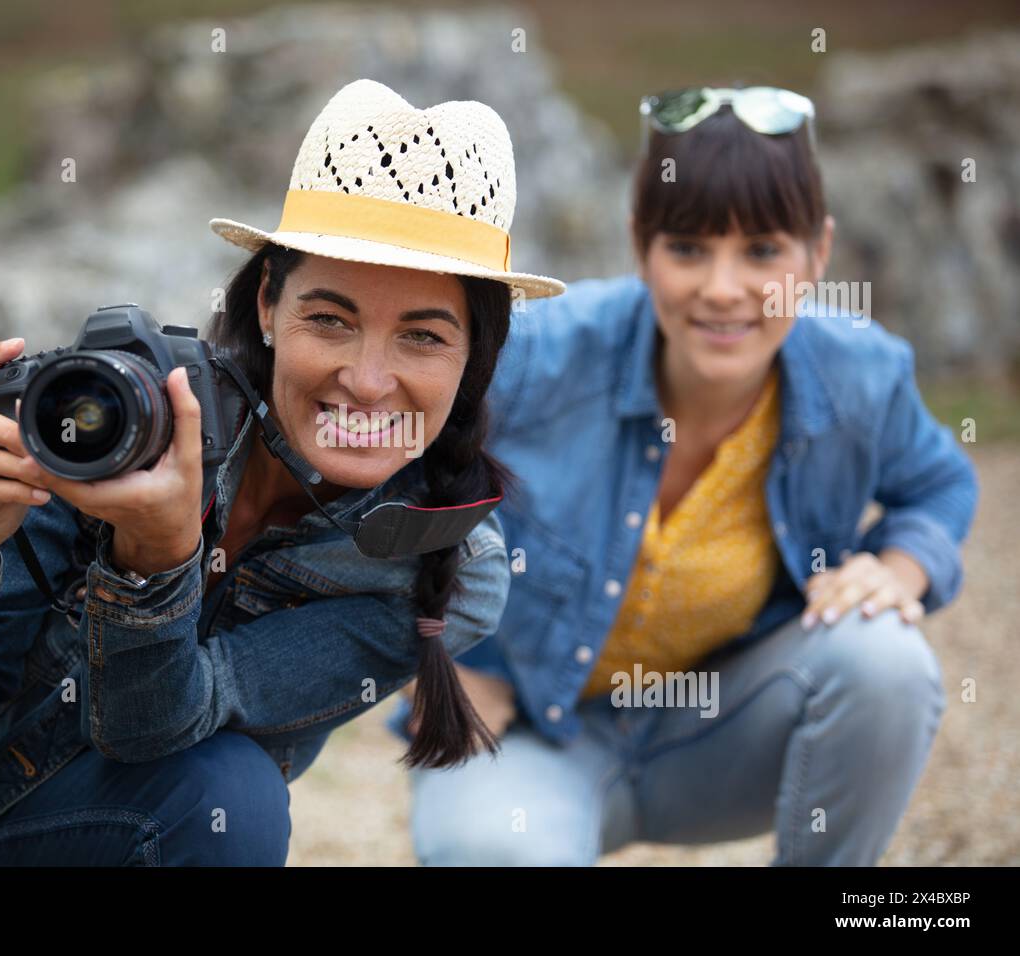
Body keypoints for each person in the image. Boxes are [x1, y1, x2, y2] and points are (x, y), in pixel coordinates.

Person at [0, 78, 565, 867]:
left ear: (479, 353)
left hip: (147, 834)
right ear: (268, 302)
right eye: (330, 319)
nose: (367, 382)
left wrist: (156, 562)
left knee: (230, 795)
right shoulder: (117, 419)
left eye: (423, 337)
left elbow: (153, 734)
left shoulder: (446, 568)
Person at [400, 86, 979, 866]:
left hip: (720, 736)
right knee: (487, 849)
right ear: (641, 245)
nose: (723, 288)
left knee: (886, 659)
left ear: (819, 253)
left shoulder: (862, 375)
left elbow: (941, 484)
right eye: (689, 248)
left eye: (764, 251)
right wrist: (429, 660)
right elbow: (378, 480)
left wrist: (901, 569)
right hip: (528, 745)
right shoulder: (537, 356)